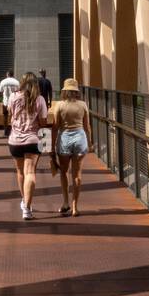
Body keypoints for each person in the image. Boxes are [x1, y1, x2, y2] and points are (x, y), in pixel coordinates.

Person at [6, 72, 48, 220]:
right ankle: (27, 209)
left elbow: (10, 115)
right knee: (30, 172)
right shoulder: (40, 99)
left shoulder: (13, 97)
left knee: (20, 172)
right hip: (33, 140)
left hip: (15, 141)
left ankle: (25, 202)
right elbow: (43, 123)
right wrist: (47, 142)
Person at [50, 78, 91, 217]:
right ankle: (75, 207)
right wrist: (89, 143)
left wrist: (52, 146)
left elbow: (55, 127)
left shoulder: (60, 105)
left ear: (65, 91)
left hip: (65, 138)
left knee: (63, 171)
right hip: (80, 138)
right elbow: (87, 127)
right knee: (77, 174)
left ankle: (66, 202)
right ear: (76, 91)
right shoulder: (83, 105)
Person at [0, 70, 20, 137]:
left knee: (5, 116)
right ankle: (14, 131)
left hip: (6, 102)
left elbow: (0, 91)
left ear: (7, 74)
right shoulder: (16, 82)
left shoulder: (3, 81)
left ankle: (5, 131)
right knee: (15, 116)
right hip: (14, 102)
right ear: (13, 74)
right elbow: (19, 91)